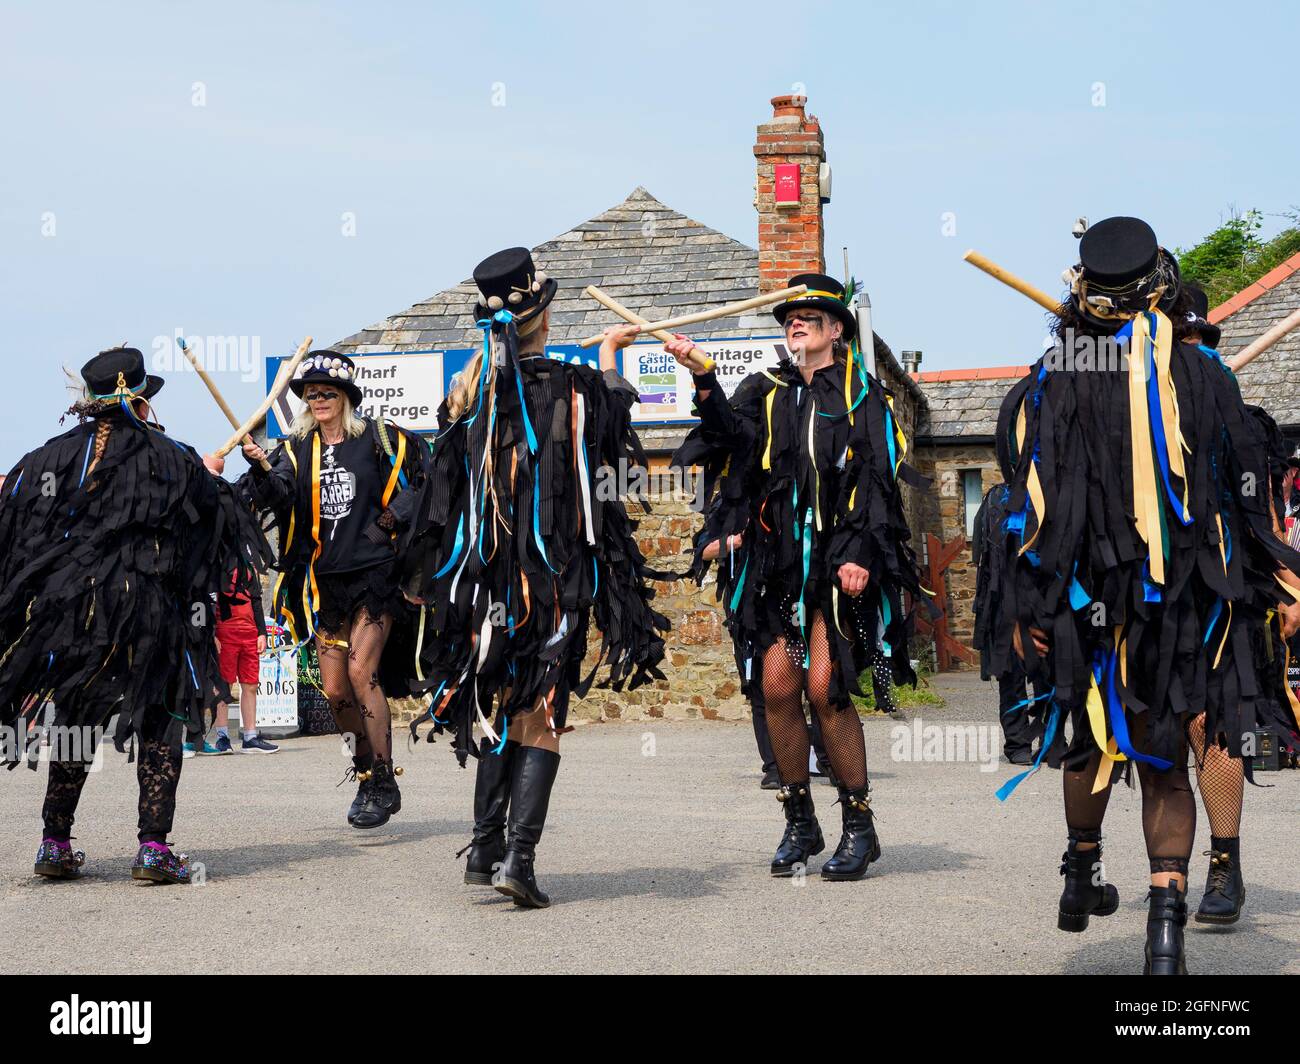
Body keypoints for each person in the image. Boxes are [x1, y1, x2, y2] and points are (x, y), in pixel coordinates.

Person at [989, 217, 1300, 974]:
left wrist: (1034, 607)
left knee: (1091, 738)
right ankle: (1167, 935)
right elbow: (1242, 492)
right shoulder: (1206, 377)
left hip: (1091, 602)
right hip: (1190, 598)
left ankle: (1080, 872)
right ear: (1161, 288)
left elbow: (1027, 507)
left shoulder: (1048, 381)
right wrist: (1280, 580)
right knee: (1173, 753)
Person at [403, 247, 671, 909]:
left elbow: (437, 508)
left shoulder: (467, 405)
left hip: (486, 595)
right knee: (543, 712)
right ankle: (517, 858)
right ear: (544, 319)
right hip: (551, 585)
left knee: (501, 706)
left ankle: (486, 847)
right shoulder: (572, 391)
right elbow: (614, 439)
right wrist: (610, 358)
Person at [670, 273, 927, 881]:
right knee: (778, 691)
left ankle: (859, 826)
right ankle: (799, 819)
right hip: (775, 567)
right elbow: (724, 441)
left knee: (824, 691)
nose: (796, 322)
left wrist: (861, 550)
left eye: (810, 315)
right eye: (790, 316)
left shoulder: (864, 396)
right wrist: (702, 374)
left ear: (837, 329)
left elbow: (877, 482)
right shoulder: (766, 390)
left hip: (838, 568)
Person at [0, 346, 270, 883]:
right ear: (141, 400)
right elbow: (219, 526)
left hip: (80, 612)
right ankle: (152, 849)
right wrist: (217, 479)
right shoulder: (175, 457)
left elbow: (17, 528)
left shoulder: (47, 460)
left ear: (88, 403)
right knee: (162, 717)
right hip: (154, 608)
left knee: (78, 717)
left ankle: (54, 843)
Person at [239, 351, 428, 828]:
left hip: (374, 577)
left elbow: (424, 480)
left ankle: (384, 778)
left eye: (328, 393)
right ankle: (365, 772)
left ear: (345, 398)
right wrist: (262, 466)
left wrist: (387, 523)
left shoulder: (378, 439)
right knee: (334, 687)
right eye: (311, 393)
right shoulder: (296, 449)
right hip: (323, 585)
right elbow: (278, 495)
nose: (318, 399)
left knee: (363, 672)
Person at [972, 483, 1044, 765]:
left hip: (1046, 595)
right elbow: (987, 554)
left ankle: (1051, 738)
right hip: (1004, 597)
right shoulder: (997, 498)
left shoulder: (1051, 492)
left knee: (1049, 670)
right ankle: (1017, 742)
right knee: (1011, 672)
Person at [212, 567, 279, 754]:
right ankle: (222, 738)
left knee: (250, 685)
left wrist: (262, 633)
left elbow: (256, 600)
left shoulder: (249, 566)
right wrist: (211, 634)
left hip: (250, 633)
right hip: (225, 632)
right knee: (223, 686)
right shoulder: (216, 562)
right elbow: (208, 599)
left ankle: (250, 737)